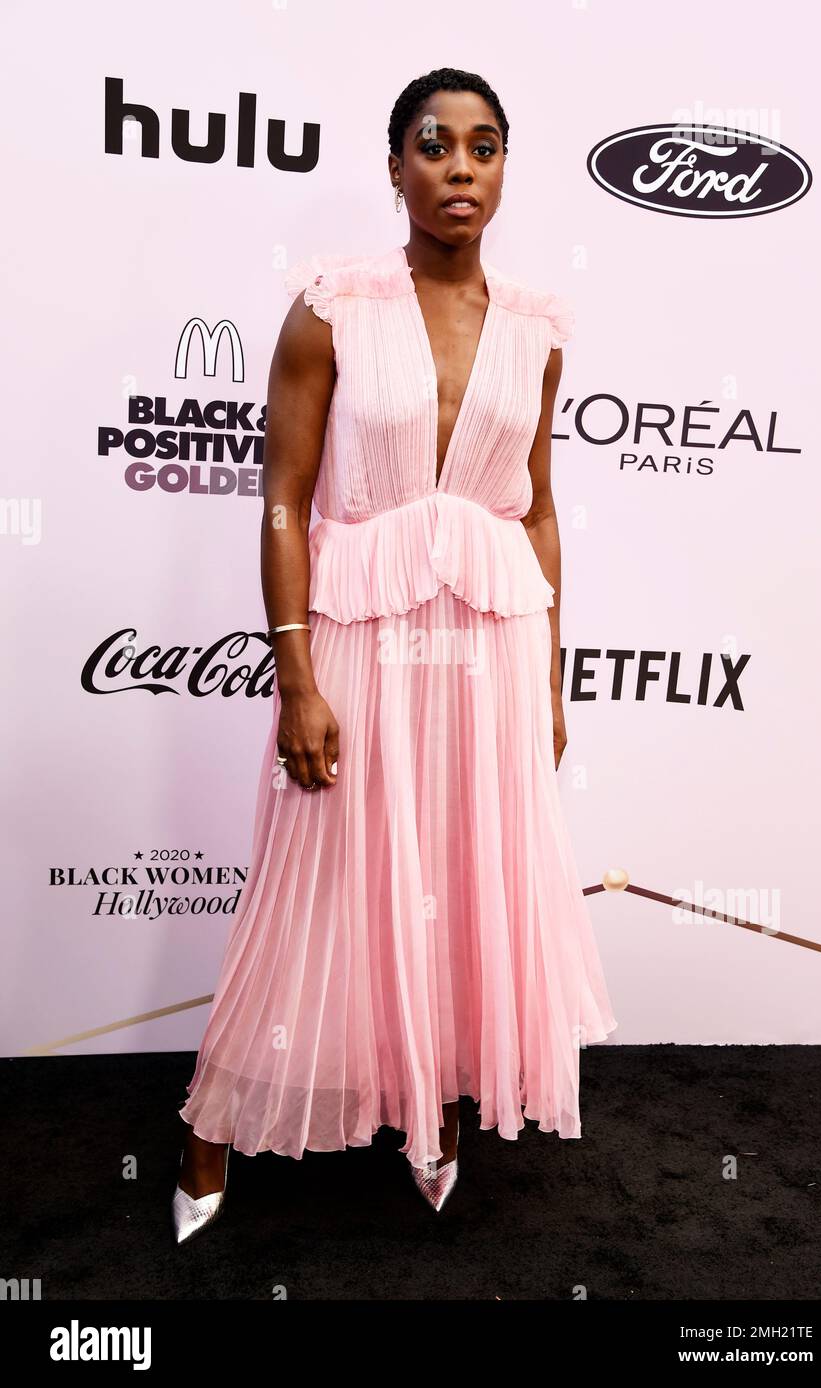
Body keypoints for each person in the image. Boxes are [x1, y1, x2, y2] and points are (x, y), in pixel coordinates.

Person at [170, 66, 618, 1244]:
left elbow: (536, 509)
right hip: (360, 641)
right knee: (316, 882)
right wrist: (295, 674)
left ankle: (433, 1106)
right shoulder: (331, 310)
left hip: (490, 642)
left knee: (463, 886)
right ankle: (209, 1125)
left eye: (482, 146)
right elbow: (281, 497)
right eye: (433, 145)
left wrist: (552, 676)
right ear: (393, 167)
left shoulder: (536, 332)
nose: (458, 167)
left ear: (504, 167)